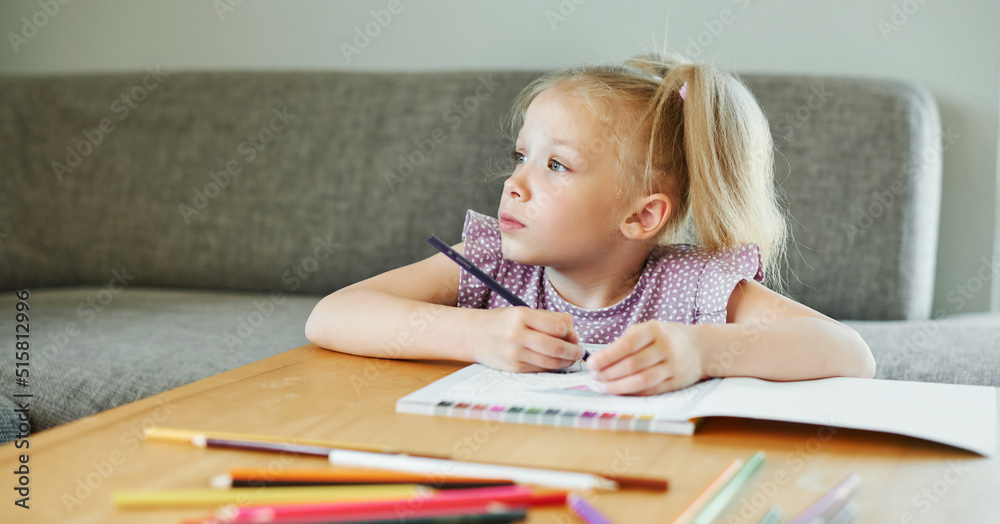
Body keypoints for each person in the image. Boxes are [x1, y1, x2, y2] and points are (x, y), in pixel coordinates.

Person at [305, 52, 875, 396]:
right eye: (519, 157)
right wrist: (478, 336)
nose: (515, 184)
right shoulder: (489, 261)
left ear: (642, 215)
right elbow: (331, 315)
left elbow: (848, 353)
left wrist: (701, 352)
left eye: (556, 165)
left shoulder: (690, 286)